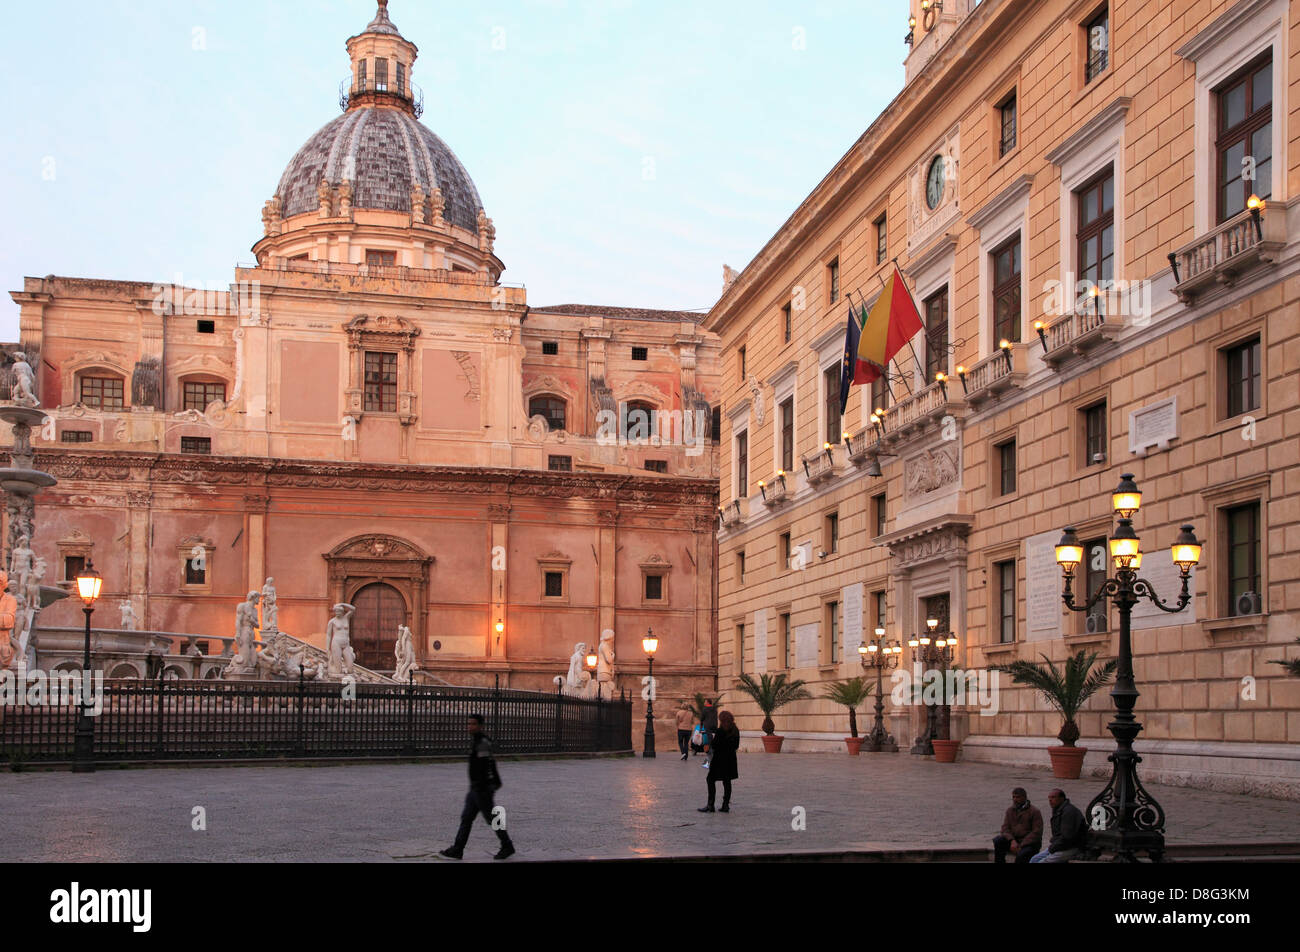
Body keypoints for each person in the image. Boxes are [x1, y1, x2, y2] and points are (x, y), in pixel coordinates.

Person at [440, 714, 516, 861]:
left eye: (473, 724)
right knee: (466, 818)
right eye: (469, 723)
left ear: (481, 726)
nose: (470, 726)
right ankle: (458, 849)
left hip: (482, 789)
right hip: (476, 788)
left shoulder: (482, 743)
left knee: (491, 818)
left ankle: (507, 845)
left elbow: (487, 764)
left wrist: (489, 786)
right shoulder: (477, 741)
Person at [1029, 788, 1086, 863]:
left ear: (1061, 798)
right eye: (1049, 798)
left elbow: (1067, 837)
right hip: (1059, 846)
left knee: (1042, 862)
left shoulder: (1069, 812)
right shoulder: (1058, 809)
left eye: (1053, 797)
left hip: (1072, 847)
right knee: (1034, 860)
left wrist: (1053, 848)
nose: (1050, 800)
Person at [699, 710, 739, 813]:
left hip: (719, 760)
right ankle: (725, 805)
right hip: (730, 760)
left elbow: (716, 745)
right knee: (727, 781)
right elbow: (736, 746)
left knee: (710, 779)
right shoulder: (735, 730)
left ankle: (710, 805)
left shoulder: (720, 731)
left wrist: (713, 740)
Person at [993, 787, 1043, 863]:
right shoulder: (1010, 810)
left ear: (1024, 797)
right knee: (998, 840)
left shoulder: (1034, 811)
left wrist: (1021, 845)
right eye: (1013, 797)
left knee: (1021, 855)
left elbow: (1036, 832)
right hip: (1014, 840)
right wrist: (1012, 840)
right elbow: (1005, 828)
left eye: (1018, 797)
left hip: (1030, 843)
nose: (1015, 799)